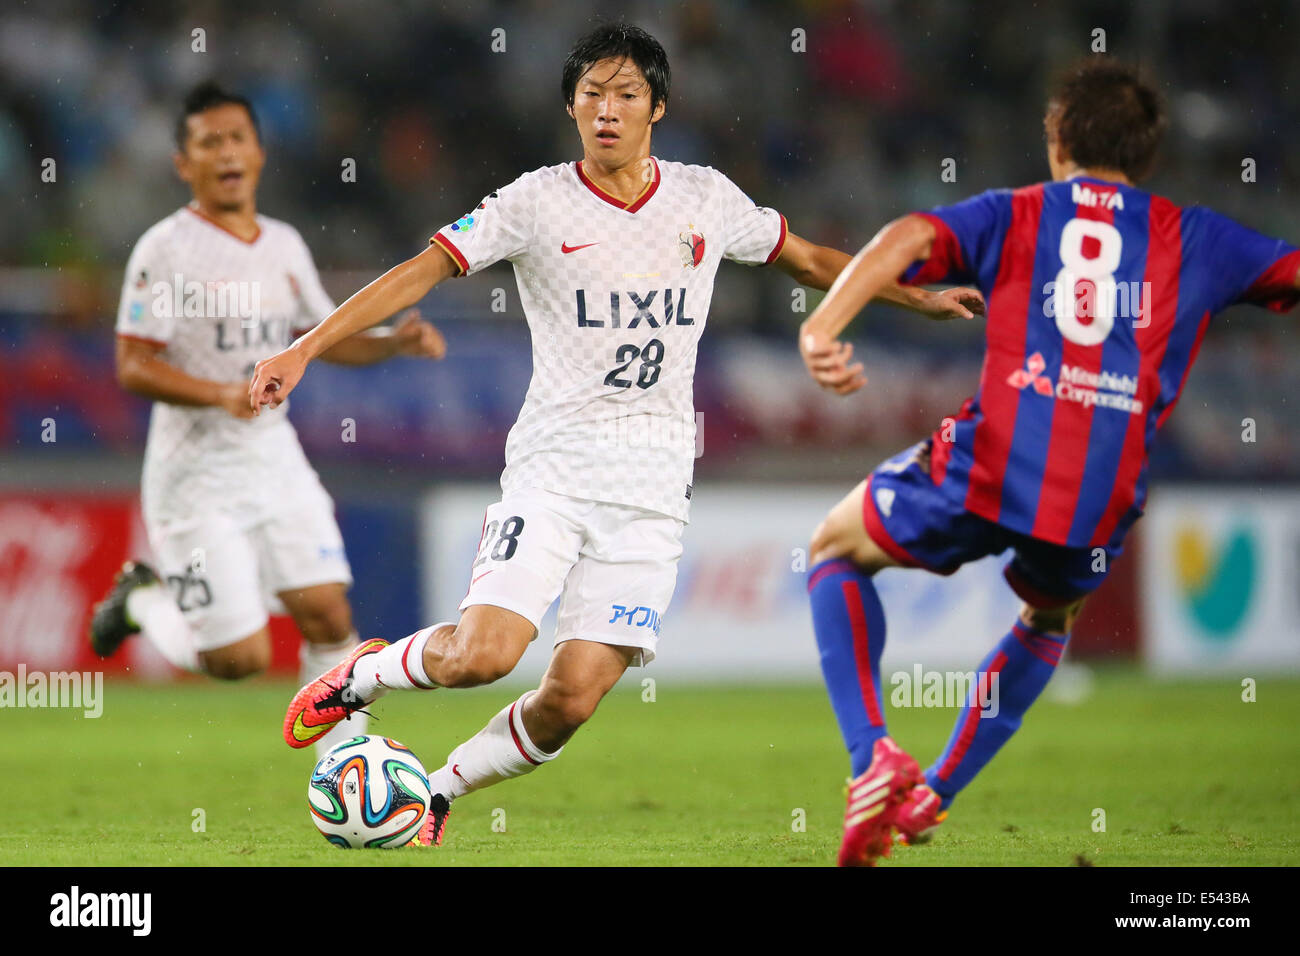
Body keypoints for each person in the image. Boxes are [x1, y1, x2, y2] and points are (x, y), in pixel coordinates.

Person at [252, 23, 981, 847]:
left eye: (626, 94)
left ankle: (440, 791)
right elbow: (423, 267)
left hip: (654, 488)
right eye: (591, 94)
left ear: (657, 106)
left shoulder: (705, 198)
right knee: (484, 656)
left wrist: (911, 294)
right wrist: (306, 348)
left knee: (570, 701)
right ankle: (364, 676)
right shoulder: (535, 202)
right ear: (570, 106)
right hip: (553, 471)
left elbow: (807, 259)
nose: (607, 110)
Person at [797, 59, 1300, 866]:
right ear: (1147, 156)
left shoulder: (1018, 212)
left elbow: (910, 237)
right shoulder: (1198, 238)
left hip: (995, 457)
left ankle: (873, 759)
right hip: (1100, 493)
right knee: (1048, 617)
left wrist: (822, 328)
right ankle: (936, 794)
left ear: (1058, 138)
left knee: (832, 550)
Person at [91, 81, 446, 758]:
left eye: (236, 138)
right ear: (183, 163)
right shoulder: (164, 250)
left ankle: (342, 771)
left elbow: (322, 339)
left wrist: (392, 344)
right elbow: (132, 365)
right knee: (240, 657)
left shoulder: (282, 245)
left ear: (258, 151)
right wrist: (219, 395)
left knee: (329, 615)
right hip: (193, 476)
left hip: (271, 459)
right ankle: (141, 601)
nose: (226, 152)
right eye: (208, 142)